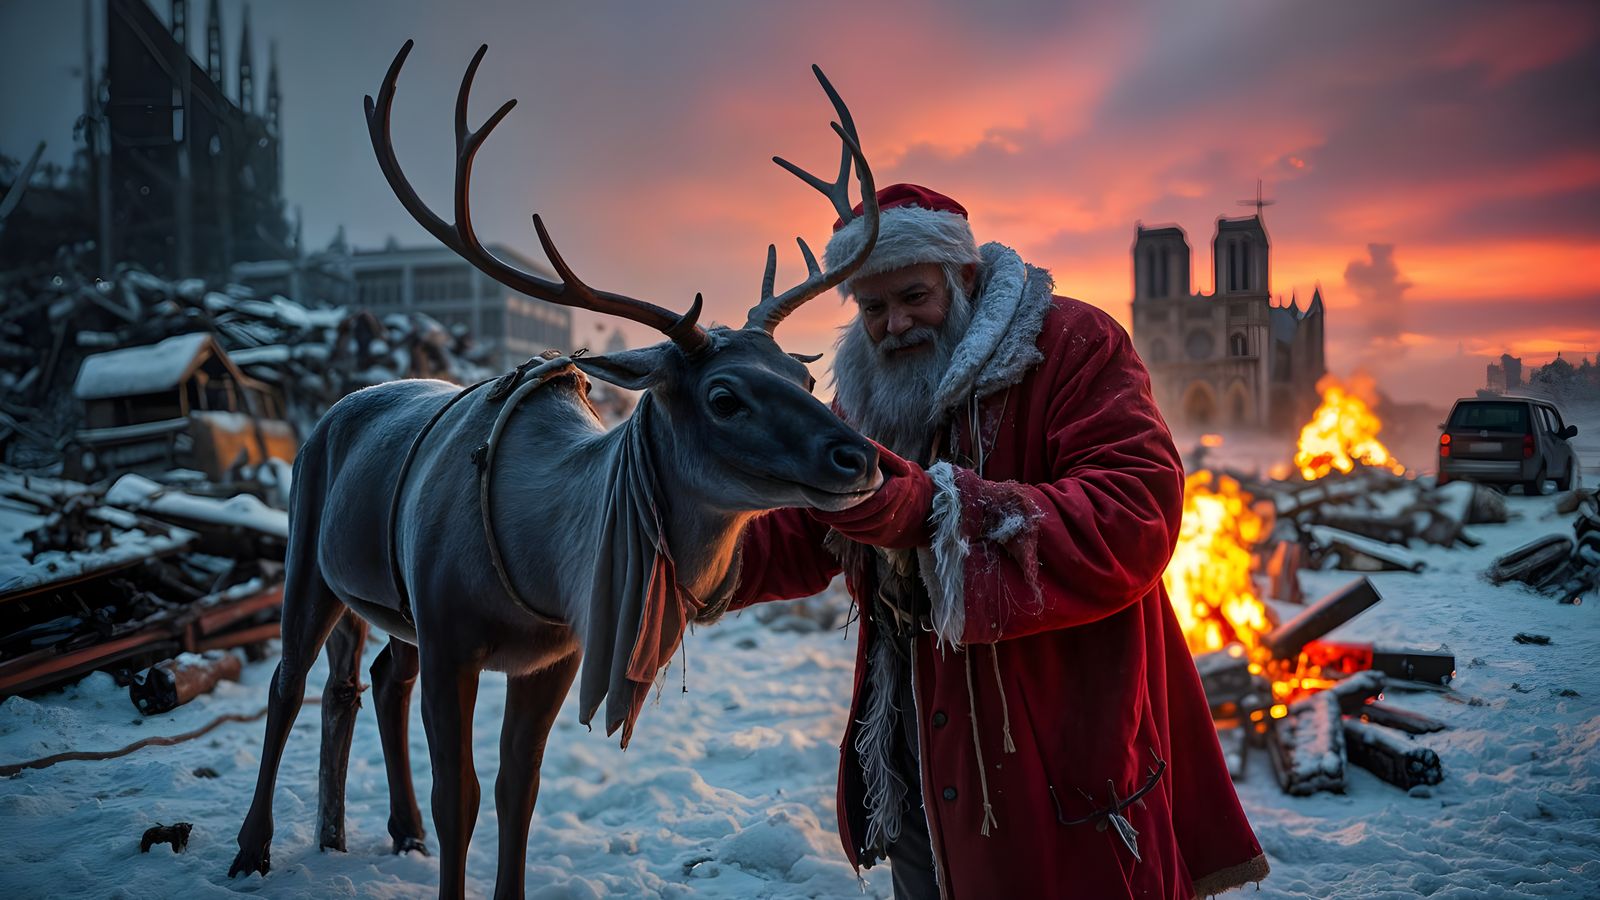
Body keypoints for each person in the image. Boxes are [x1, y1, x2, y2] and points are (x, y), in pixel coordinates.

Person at [730, 184, 1269, 899]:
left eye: (914, 296)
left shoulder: (1073, 344)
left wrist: (941, 515)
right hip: (919, 751)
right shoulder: (863, 396)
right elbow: (805, 527)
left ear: (966, 277)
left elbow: (1136, 509)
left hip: (1065, 757)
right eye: (873, 307)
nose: (894, 325)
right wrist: (689, 557)